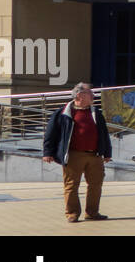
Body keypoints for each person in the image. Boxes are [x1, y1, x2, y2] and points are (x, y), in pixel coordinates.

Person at [42, 82, 113, 223]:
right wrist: (47, 152)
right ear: (80, 95)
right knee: (71, 185)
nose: (93, 95)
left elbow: (104, 133)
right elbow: (51, 133)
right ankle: (72, 213)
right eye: (90, 92)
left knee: (96, 185)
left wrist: (107, 152)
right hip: (74, 154)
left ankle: (92, 213)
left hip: (95, 155)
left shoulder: (96, 113)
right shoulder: (63, 113)